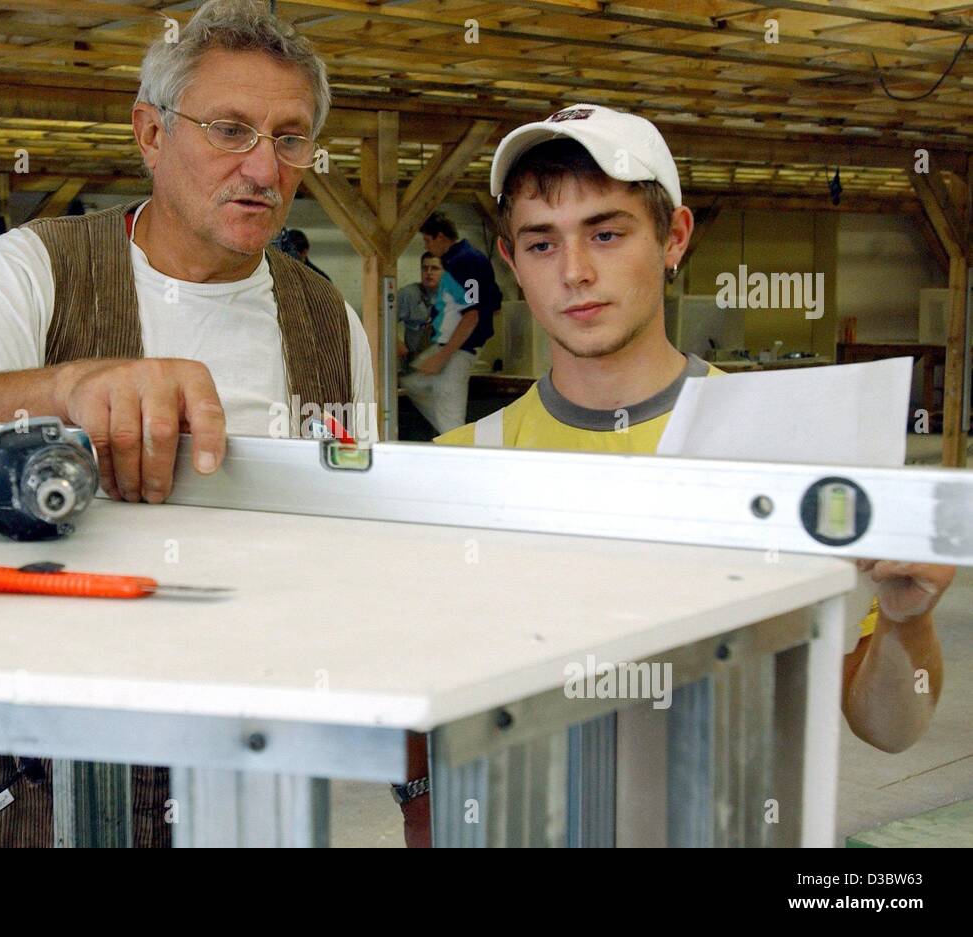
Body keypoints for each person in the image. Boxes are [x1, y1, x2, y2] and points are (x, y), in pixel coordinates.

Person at [0, 0, 374, 848]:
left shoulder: (327, 316)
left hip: (253, 751)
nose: (264, 166)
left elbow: (362, 513)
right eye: (230, 130)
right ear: (150, 133)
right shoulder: (35, 268)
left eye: (290, 139)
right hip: (38, 758)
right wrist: (71, 386)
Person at [396, 103, 954, 846]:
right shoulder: (461, 470)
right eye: (541, 242)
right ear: (511, 262)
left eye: (606, 231)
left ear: (674, 238)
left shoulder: (792, 450)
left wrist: (908, 621)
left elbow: (891, 726)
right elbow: (418, 729)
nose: (574, 271)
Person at [400, 210, 501, 433]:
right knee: (413, 383)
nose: (426, 247)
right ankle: (452, 433)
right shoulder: (462, 261)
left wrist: (443, 356)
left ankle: (457, 443)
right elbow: (494, 303)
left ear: (441, 237)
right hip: (450, 344)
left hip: (458, 348)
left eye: (427, 240)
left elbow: (472, 314)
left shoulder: (465, 262)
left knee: (450, 420)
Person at [395, 252, 441, 366]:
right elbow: (382, 321)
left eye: (435, 268)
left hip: (444, 361)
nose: (429, 272)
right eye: (425, 268)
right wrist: (395, 342)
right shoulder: (409, 294)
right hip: (416, 362)